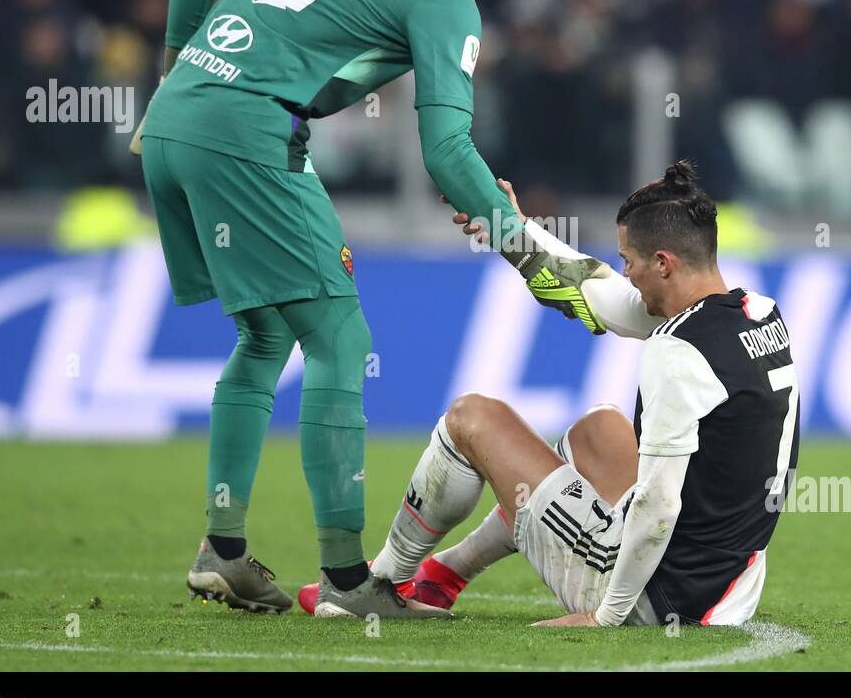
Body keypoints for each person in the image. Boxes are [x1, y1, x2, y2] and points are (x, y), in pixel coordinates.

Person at [133, 0, 604, 619]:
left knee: (265, 337)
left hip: (178, 118)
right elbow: (447, 152)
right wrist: (529, 255)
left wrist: (173, 74)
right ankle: (353, 585)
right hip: (249, 130)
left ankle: (222, 548)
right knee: (341, 341)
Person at [302, 162, 801, 626]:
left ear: (664, 263)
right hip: (728, 588)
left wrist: (608, 616)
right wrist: (512, 229)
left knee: (470, 418)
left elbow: (659, 506)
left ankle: (376, 583)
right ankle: (447, 573)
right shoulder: (759, 312)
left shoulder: (677, 352)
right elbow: (594, 288)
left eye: (629, 260)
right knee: (600, 430)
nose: (624, 272)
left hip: (659, 598)